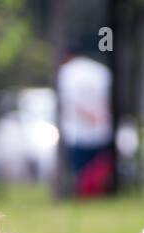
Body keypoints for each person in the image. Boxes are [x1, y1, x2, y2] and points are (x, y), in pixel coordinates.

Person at [57, 42, 113, 196]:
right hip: (102, 128)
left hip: (77, 131)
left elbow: (69, 102)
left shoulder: (66, 72)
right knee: (97, 168)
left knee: (80, 170)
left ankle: (82, 194)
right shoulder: (101, 71)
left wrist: (87, 116)